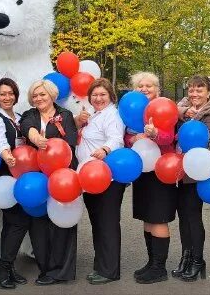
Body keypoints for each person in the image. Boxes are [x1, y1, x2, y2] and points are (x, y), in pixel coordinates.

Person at [20, 79, 79, 285]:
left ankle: (61, 271)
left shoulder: (66, 115)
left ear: (52, 95)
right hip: (37, 178)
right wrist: (36, 138)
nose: (38, 98)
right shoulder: (30, 115)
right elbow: (26, 127)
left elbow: (70, 142)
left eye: (42, 94)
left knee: (62, 223)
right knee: (38, 224)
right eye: (35, 95)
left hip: (62, 176)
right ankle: (45, 267)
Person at [127, 71, 177, 284]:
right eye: (140, 86)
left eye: (149, 86)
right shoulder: (133, 110)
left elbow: (170, 139)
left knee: (158, 218)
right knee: (147, 218)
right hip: (142, 172)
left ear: (157, 90)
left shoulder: (164, 108)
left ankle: (159, 268)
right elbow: (126, 137)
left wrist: (154, 133)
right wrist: (135, 137)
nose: (145, 89)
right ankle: (151, 262)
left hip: (161, 171)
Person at [75, 78, 126, 285]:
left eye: (103, 94)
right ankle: (102, 264)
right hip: (90, 177)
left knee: (107, 223)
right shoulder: (95, 115)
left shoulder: (112, 115)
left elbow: (117, 138)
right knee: (98, 223)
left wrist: (105, 149)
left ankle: (109, 270)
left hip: (106, 177)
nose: (98, 98)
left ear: (111, 96)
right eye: (94, 95)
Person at [173, 75, 210, 282]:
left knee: (193, 217)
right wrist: (184, 112)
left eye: (199, 90)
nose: (194, 94)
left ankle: (197, 260)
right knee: (183, 218)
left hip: (197, 173)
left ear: (208, 93)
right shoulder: (182, 109)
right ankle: (186, 256)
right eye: (191, 90)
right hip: (180, 172)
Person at [0, 78, 30, 289]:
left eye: (11, 93)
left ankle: (6, 266)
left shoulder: (18, 117)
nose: (7, 97)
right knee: (19, 221)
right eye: (3, 94)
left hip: (19, 174)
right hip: (5, 174)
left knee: (11, 223)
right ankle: (3, 266)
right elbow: (0, 141)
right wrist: (7, 155)